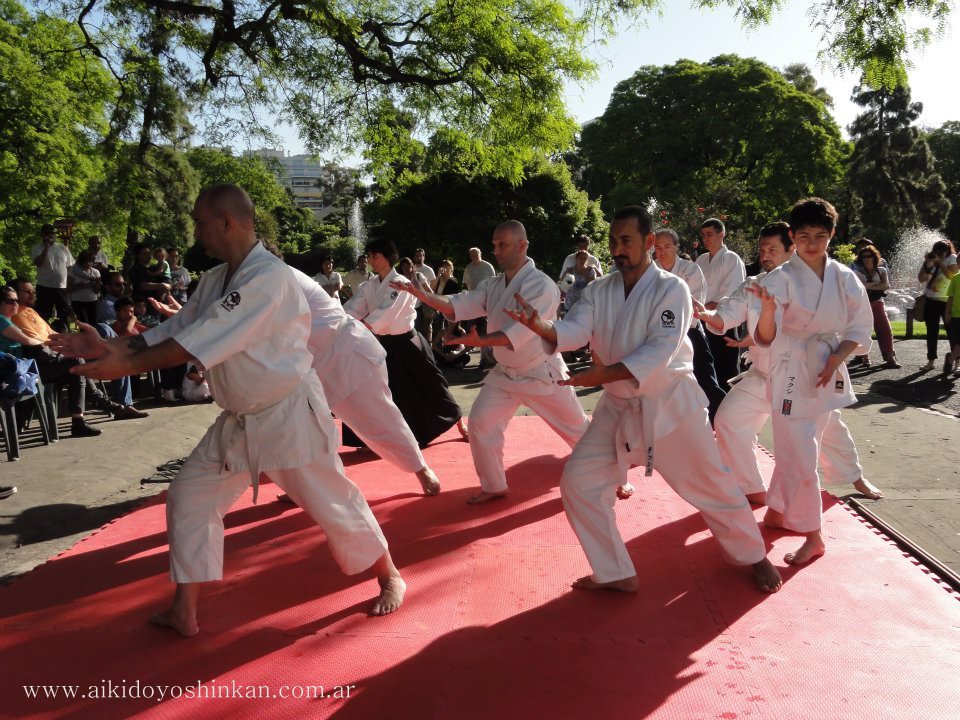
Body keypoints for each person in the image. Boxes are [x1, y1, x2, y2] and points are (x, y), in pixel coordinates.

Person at [48, 184, 407, 636]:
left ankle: (389, 573)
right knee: (190, 497)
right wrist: (113, 346)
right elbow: (179, 327)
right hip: (239, 419)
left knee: (333, 502)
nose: (195, 231)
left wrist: (125, 362)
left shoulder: (268, 278)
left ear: (227, 221)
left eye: (200, 221)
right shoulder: (216, 279)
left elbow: (192, 342)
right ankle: (185, 609)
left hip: (288, 413)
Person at [505, 205, 782, 593]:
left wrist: (605, 375)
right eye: (613, 241)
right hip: (618, 405)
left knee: (713, 486)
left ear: (649, 243)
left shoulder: (672, 288)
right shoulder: (601, 289)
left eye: (626, 241)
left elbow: (660, 350)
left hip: (671, 405)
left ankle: (754, 555)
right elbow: (573, 329)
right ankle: (616, 572)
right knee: (578, 482)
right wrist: (541, 326)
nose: (617, 249)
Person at [152, 257, 446, 497]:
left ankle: (420, 469)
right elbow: (217, 317)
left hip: (346, 353)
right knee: (305, 428)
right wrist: (183, 323)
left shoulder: (272, 276)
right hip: (307, 366)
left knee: (379, 418)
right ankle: (308, 489)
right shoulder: (229, 278)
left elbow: (229, 324)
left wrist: (190, 330)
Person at [392, 220, 590, 505]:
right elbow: (460, 303)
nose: (495, 250)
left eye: (502, 245)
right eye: (494, 244)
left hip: (540, 371)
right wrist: (424, 296)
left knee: (578, 430)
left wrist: (479, 342)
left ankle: (616, 475)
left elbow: (517, 335)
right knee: (481, 424)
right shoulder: (494, 284)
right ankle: (494, 484)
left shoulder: (541, 285)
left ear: (522, 246)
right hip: (506, 374)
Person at [697, 222, 884, 505]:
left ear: (791, 249)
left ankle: (855, 477)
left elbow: (840, 328)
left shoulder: (814, 286)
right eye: (762, 250)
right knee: (727, 421)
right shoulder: (754, 284)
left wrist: (834, 356)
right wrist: (711, 316)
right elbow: (728, 314)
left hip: (806, 376)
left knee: (832, 430)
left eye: (772, 249)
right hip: (762, 374)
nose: (765, 255)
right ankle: (751, 487)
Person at [748, 198, 873, 566]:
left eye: (821, 235)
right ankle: (813, 535)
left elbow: (859, 326)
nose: (812, 243)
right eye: (804, 236)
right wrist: (769, 310)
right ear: (793, 236)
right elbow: (765, 337)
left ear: (833, 235)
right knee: (799, 453)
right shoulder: (779, 279)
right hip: (789, 371)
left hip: (826, 367)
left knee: (799, 446)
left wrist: (836, 357)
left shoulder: (845, 277)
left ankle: (777, 510)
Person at [344, 237, 467, 447]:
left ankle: (459, 423)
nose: (371, 259)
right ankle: (371, 438)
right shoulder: (369, 285)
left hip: (408, 343)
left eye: (376, 255)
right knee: (376, 389)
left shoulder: (402, 283)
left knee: (432, 383)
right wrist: (340, 320)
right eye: (370, 255)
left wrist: (362, 327)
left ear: (388, 258)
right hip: (383, 344)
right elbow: (354, 308)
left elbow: (386, 314)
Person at [3, 283, 104, 436]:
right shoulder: (2, 321)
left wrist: (66, 341)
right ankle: (96, 401)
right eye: (10, 301)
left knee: (74, 368)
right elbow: (28, 341)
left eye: (16, 300)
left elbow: (49, 334)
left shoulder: (14, 318)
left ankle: (79, 421)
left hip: (23, 370)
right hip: (14, 374)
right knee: (74, 361)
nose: (15, 304)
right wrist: (49, 344)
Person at [654, 227, 725, 424]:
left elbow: (692, 307)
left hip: (689, 330)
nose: (662, 251)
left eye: (667, 246)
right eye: (658, 247)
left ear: (676, 247)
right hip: (657, 334)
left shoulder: (690, 270)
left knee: (704, 377)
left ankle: (720, 419)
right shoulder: (651, 271)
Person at [695, 218, 746, 390]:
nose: (706, 239)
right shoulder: (701, 260)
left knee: (726, 367)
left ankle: (730, 405)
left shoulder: (731, 258)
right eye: (703, 235)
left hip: (726, 319)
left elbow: (733, 293)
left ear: (721, 234)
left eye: (710, 234)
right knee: (706, 366)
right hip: (702, 318)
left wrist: (706, 307)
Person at [850, 245, 899, 369]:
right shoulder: (856, 272)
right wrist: (876, 284)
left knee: (885, 329)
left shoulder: (881, 270)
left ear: (874, 257)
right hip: (862, 302)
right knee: (863, 329)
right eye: (864, 257)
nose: (866, 259)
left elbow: (886, 286)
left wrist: (869, 285)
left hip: (877, 301)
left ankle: (890, 357)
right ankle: (865, 356)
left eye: (869, 256)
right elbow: (861, 286)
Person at [917, 239, 957, 372]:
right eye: (936, 251)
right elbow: (921, 278)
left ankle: (957, 362)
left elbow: (952, 275)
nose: (939, 254)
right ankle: (931, 361)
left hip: (947, 301)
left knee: (953, 333)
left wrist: (939, 262)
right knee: (931, 332)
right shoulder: (931, 260)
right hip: (930, 299)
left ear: (947, 251)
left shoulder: (952, 258)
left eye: (941, 252)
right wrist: (928, 263)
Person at [31, 223, 75, 325]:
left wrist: (70, 284)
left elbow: (70, 266)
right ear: (42, 234)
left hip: (61, 287)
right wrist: (46, 247)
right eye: (47, 233)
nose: (50, 235)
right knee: (43, 315)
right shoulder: (37, 248)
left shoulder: (62, 248)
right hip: (44, 286)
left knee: (63, 314)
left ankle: (64, 333)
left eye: (52, 233)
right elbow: (38, 263)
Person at [462, 247, 498, 370]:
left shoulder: (488, 267)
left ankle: (490, 359)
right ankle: (485, 359)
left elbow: (494, 284)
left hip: (488, 302)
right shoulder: (468, 269)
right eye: (472, 254)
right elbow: (467, 285)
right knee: (475, 331)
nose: (474, 256)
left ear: (480, 254)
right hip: (474, 303)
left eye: (476, 254)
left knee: (488, 329)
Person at [67, 251, 102, 326]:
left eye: (90, 261)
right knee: (84, 324)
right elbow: (67, 289)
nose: (88, 264)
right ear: (81, 262)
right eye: (86, 262)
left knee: (94, 324)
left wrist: (95, 285)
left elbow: (98, 291)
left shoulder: (96, 272)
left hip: (93, 301)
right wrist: (80, 286)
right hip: (78, 302)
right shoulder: (72, 272)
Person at [412, 249, 437, 344]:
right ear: (414, 257)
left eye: (421, 255)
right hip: (415, 301)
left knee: (427, 325)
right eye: (417, 255)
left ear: (424, 257)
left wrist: (432, 301)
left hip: (426, 300)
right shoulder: (411, 269)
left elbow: (433, 286)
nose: (419, 257)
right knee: (416, 324)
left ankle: (428, 344)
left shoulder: (428, 270)